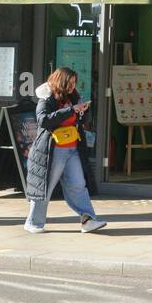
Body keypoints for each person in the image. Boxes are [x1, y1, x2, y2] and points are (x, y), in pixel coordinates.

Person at [24, 68, 107, 235]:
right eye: (70, 82)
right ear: (61, 82)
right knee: (45, 187)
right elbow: (43, 120)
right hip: (52, 150)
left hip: (72, 148)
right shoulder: (47, 96)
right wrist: (71, 110)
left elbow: (82, 120)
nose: (73, 86)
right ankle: (33, 222)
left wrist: (84, 111)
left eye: (74, 83)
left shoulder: (74, 96)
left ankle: (88, 220)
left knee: (78, 185)